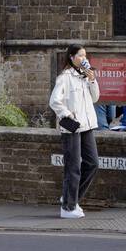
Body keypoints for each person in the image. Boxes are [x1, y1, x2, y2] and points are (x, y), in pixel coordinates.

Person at [49, 44, 100, 219]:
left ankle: (71, 198)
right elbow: (54, 101)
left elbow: (95, 98)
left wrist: (92, 79)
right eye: (80, 55)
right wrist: (68, 114)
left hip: (87, 125)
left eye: (85, 56)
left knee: (92, 163)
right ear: (71, 57)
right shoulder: (65, 77)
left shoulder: (85, 77)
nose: (84, 59)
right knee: (73, 167)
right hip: (72, 127)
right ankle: (68, 208)